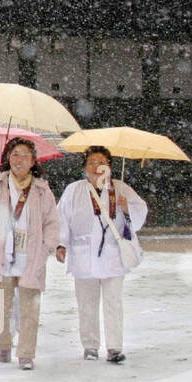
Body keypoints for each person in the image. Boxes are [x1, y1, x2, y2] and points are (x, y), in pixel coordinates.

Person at [0, 137, 61, 370]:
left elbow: (52, 221)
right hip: (0, 251)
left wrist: (47, 246)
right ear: (7, 158)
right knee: (0, 306)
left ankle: (26, 353)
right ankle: (3, 344)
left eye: (25, 156)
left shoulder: (41, 189)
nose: (19, 160)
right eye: (15, 154)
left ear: (33, 161)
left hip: (30, 253)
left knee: (30, 307)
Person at [55, 146, 148, 364]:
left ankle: (114, 346)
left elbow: (139, 214)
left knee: (113, 302)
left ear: (110, 166)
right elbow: (62, 219)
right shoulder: (74, 190)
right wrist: (61, 244)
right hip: (83, 255)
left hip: (113, 254)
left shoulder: (120, 188)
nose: (97, 166)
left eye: (102, 161)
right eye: (92, 162)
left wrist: (126, 210)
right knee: (86, 303)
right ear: (85, 167)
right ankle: (90, 345)